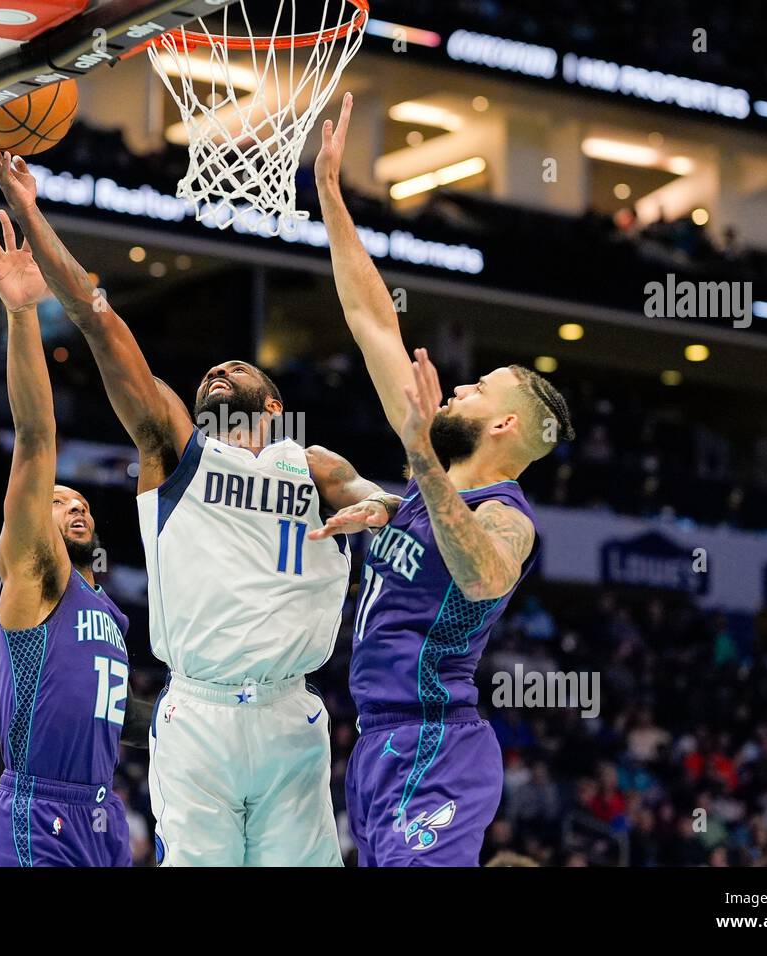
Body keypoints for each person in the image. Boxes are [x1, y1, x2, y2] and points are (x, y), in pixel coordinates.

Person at [0, 129, 397, 867]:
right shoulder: (178, 454)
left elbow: (385, 498)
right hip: (198, 710)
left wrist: (384, 509)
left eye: (238, 369)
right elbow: (101, 322)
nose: (220, 372)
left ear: (272, 408)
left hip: (292, 712)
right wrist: (33, 218)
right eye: (209, 376)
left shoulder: (315, 465)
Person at [312, 93, 575, 866]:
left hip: (439, 746)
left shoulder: (507, 515)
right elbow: (370, 318)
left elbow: (485, 576)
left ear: (504, 427)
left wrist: (418, 468)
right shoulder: (426, 477)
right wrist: (329, 198)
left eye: (478, 388)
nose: (456, 389)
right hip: (374, 744)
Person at [0, 210, 148, 867]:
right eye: (57, 499)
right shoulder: (35, 575)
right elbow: (36, 435)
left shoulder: (108, 612)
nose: (73, 503)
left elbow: (111, 715)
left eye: (80, 501)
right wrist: (22, 316)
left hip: (102, 815)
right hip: (34, 810)